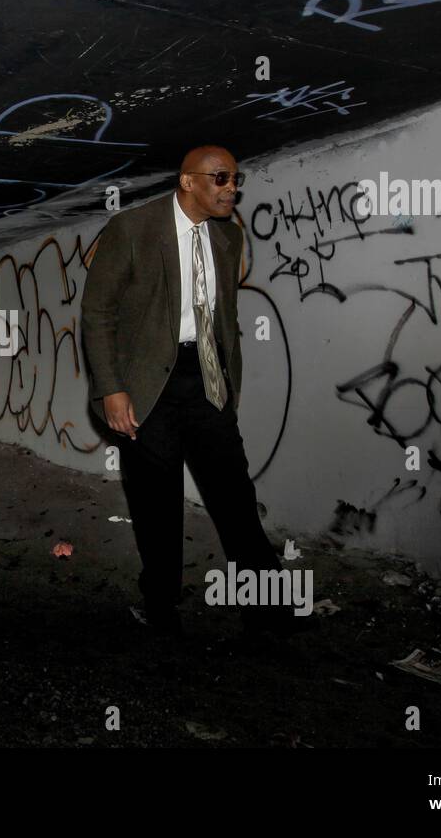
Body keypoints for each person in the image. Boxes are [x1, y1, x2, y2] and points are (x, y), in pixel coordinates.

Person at [81, 145, 304, 636]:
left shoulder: (228, 237)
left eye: (235, 179)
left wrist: (228, 380)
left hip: (206, 378)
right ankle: (160, 604)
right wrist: (112, 388)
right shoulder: (133, 229)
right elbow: (98, 313)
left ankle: (268, 604)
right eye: (221, 178)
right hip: (144, 384)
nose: (232, 188)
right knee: (156, 502)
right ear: (188, 182)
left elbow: (225, 318)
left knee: (235, 495)